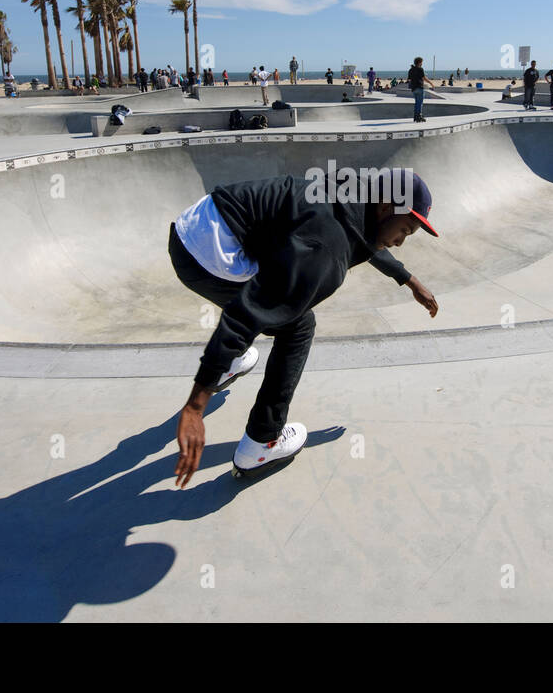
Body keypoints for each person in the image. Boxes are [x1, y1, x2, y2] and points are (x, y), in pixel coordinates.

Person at [169, 168, 439, 485]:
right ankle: (262, 442)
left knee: (277, 272)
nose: (401, 242)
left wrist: (408, 279)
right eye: (405, 230)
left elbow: (365, 238)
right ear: (385, 207)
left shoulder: (348, 193)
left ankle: (233, 361)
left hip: (200, 222)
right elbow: (243, 316)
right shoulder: (324, 249)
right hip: (209, 259)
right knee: (296, 326)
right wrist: (195, 407)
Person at [408, 56, 428, 122]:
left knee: (417, 103)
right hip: (419, 87)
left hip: (413, 89)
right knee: (420, 103)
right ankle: (419, 116)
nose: (422, 64)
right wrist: (431, 83)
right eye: (421, 62)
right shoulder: (420, 69)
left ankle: (415, 117)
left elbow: (409, 79)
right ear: (419, 62)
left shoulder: (411, 70)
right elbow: (423, 78)